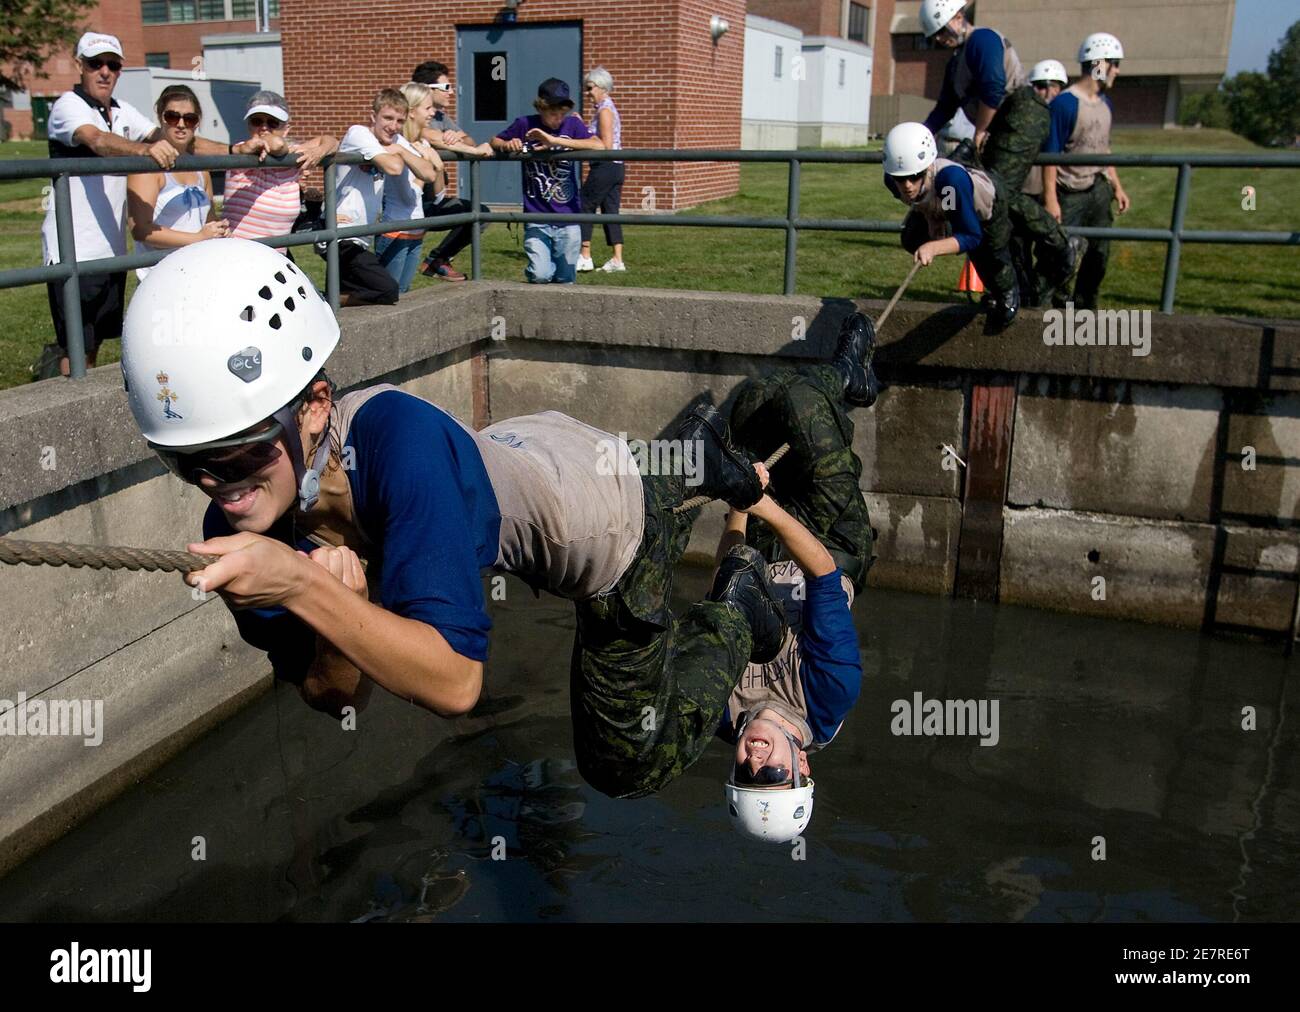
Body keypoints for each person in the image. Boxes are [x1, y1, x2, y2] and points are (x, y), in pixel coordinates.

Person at [119, 240, 819, 801]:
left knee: (626, 766)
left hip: (600, 519)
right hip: (531, 457)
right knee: (606, 478)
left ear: (312, 406)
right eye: (187, 463)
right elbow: (334, 697)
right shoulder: (246, 531)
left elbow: (457, 685)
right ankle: (692, 454)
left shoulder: (397, 439)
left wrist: (305, 591)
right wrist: (337, 605)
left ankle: (738, 607)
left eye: (240, 451)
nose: (222, 486)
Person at [713, 316, 877, 842]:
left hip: (763, 556)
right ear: (802, 767)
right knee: (804, 402)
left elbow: (725, 583)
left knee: (755, 400)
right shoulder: (829, 695)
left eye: (746, 775)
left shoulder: (717, 705)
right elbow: (825, 577)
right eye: (774, 776)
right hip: (831, 548)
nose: (757, 759)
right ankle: (849, 377)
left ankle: (837, 396)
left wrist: (740, 499)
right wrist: (766, 503)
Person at [35, 31, 229, 379]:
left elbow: (170, 139)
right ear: (80, 66)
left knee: (94, 343)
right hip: (73, 248)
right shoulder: (69, 106)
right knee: (75, 347)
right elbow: (97, 140)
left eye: (113, 65)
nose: (105, 71)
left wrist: (237, 151)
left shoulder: (123, 111)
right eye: (96, 64)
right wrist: (144, 151)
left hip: (110, 248)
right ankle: (68, 401)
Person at [917, 0, 1079, 307]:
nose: (939, 39)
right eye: (934, 35)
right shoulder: (956, 63)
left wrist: (980, 131)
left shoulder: (982, 40)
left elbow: (993, 88)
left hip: (1020, 116)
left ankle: (1059, 244)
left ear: (958, 17)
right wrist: (918, 138)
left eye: (941, 30)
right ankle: (1017, 286)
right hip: (996, 125)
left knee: (995, 192)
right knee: (987, 201)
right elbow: (944, 108)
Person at [883, 121, 1021, 334]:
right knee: (911, 237)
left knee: (991, 259)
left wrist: (933, 247)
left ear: (928, 167)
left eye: (914, 176)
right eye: (900, 179)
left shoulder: (950, 181)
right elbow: (927, 202)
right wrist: (932, 221)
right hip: (945, 202)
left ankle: (1009, 293)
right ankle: (961, 156)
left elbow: (971, 235)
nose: (907, 185)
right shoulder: (893, 181)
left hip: (985, 209)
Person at [1043, 34, 1132, 311]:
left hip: (1098, 187)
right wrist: (1051, 199)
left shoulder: (1106, 105)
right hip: (1069, 191)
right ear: (1098, 64)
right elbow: (1051, 155)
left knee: (1099, 253)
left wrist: (1117, 186)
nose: (1117, 70)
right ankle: (1046, 307)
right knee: (1060, 255)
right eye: (1114, 63)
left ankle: (1085, 307)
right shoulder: (1066, 104)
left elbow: (1103, 149)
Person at [328, 89, 440, 306]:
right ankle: (326, 301)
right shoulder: (359, 133)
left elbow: (429, 173)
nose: (393, 126)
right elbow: (394, 167)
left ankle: (330, 302)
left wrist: (400, 149)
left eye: (399, 121)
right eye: (388, 118)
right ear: (373, 117)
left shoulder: (396, 140)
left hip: (362, 235)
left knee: (353, 287)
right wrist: (395, 152)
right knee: (387, 289)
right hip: (340, 233)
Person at [490, 78, 606, 285]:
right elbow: (495, 141)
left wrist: (554, 141)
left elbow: (600, 146)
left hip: (568, 216)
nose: (558, 119)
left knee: (565, 278)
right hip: (536, 215)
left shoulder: (573, 125)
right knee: (539, 274)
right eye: (553, 114)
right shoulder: (525, 124)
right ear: (541, 107)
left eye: (562, 113)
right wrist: (509, 143)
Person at [127, 86, 228, 281]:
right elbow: (141, 230)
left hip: (197, 271)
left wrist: (219, 230)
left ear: (196, 123)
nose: (181, 124)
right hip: (161, 277)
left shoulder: (200, 168)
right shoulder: (147, 167)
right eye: (173, 117)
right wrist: (197, 239)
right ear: (160, 118)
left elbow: (208, 220)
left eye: (189, 119)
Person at [224, 91, 338, 258]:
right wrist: (277, 144)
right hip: (237, 255)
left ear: (286, 129)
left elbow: (332, 141)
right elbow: (276, 144)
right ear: (249, 125)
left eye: (272, 123)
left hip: (275, 258)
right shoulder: (241, 153)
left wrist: (318, 152)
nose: (264, 128)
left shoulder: (291, 158)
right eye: (257, 121)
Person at [409, 60, 494, 283]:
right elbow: (429, 136)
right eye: (446, 87)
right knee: (395, 280)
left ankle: (438, 260)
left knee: (479, 213)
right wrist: (473, 151)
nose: (452, 92)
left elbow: (469, 139)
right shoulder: (410, 114)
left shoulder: (440, 117)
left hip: (434, 198)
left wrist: (458, 139)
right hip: (411, 202)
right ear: (428, 90)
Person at [375, 82, 446, 294]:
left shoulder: (421, 144)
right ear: (412, 112)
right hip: (395, 230)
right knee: (390, 295)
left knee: (404, 293)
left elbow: (439, 194)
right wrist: (423, 161)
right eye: (428, 107)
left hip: (416, 229)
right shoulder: (394, 143)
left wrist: (439, 165)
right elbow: (412, 189)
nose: (433, 112)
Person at [1016, 59, 1070, 305]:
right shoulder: (1023, 116)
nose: (1047, 93)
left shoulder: (1059, 118)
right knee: (1018, 249)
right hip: (1021, 192)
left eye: (1054, 86)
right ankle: (1022, 295)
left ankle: (1044, 296)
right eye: (1041, 86)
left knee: (1050, 249)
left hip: (1046, 195)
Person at [575, 67, 626, 274]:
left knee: (584, 206)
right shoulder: (607, 108)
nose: (587, 93)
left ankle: (585, 256)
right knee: (610, 212)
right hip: (616, 167)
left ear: (602, 87)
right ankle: (617, 259)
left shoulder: (604, 110)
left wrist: (581, 129)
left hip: (604, 166)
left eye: (590, 88)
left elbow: (604, 144)